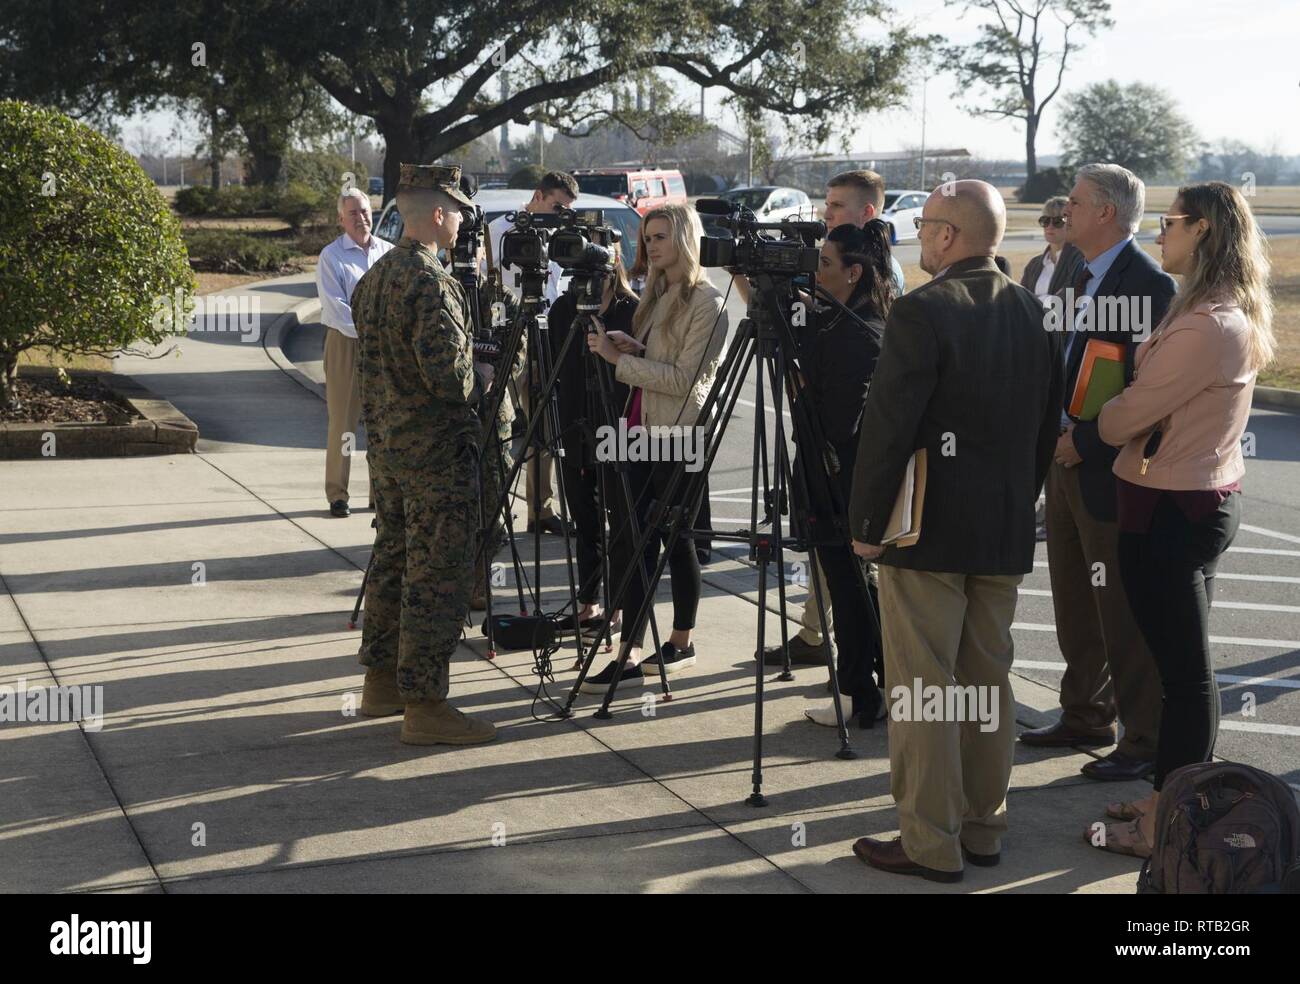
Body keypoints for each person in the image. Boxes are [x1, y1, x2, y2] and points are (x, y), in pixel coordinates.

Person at [848, 180, 1063, 882]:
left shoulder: (921, 310)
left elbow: (888, 429)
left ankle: (928, 843)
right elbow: (1042, 431)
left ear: (947, 237)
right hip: (1000, 531)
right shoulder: (1034, 310)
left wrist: (866, 525)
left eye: (927, 225)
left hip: (926, 534)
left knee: (924, 691)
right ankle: (982, 828)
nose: (919, 239)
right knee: (985, 684)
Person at [1088, 182, 1274, 857]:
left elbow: (1121, 417)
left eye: (1169, 222)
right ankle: (1171, 800)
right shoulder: (1203, 311)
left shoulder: (1205, 324)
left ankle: (1170, 824)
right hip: (1175, 500)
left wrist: (1110, 414)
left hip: (1172, 508)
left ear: (1202, 230)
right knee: (1181, 673)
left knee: (1186, 678)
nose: (1159, 232)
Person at [1019, 164, 1177, 784]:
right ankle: (1084, 714)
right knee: (1073, 601)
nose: (1065, 213)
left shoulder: (1151, 286)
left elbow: (1149, 392)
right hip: (1061, 464)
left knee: (1121, 609)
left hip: (1107, 468)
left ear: (1107, 212)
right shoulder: (1074, 271)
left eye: (1077, 205)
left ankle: (1143, 738)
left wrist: (1083, 441)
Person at [351, 163, 498, 746]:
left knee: (392, 560)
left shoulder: (377, 276)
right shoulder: (430, 282)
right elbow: (450, 380)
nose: (463, 220)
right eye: (458, 210)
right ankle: (425, 704)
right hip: (435, 456)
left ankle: (381, 682)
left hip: (388, 453)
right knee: (435, 575)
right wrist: (485, 373)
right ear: (437, 214)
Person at [581, 204, 728, 691]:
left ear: (685, 237)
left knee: (676, 537)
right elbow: (664, 362)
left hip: (679, 433)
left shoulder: (708, 302)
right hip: (641, 427)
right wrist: (633, 346)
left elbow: (687, 381)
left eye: (661, 236)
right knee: (636, 537)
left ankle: (681, 641)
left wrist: (616, 361)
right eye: (648, 237)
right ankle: (631, 650)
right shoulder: (656, 292)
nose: (653, 246)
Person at [789, 221, 894, 728]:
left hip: (839, 479)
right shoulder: (841, 318)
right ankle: (879, 675)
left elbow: (835, 424)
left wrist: (804, 382)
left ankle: (860, 691)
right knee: (855, 581)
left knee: (847, 581)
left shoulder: (858, 331)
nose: (816, 272)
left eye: (825, 264)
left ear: (854, 272)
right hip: (837, 475)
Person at [546, 251, 639, 639]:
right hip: (574, 423)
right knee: (584, 520)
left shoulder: (630, 308)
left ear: (613, 263)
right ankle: (589, 604)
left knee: (620, 520)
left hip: (616, 424)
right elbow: (552, 364)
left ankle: (618, 608)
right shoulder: (564, 308)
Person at [485, 170, 580, 536]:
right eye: (557, 206)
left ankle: (540, 510)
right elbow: (482, 282)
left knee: (544, 425)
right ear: (538, 196)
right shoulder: (500, 230)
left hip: (544, 335)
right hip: (506, 334)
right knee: (499, 423)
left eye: (568, 210)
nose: (562, 216)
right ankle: (493, 512)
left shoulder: (561, 237)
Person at [314, 187, 393, 517]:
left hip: (384, 345)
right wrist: (371, 329)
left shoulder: (388, 252)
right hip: (346, 343)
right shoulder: (331, 256)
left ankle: (382, 494)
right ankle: (338, 494)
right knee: (343, 423)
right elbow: (336, 307)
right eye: (353, 214)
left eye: (364, 211)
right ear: (340, 220)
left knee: (384, 420)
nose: (361, 218)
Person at [1020, 196, 1084, 300]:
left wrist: (1034, 301)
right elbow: (1022, 300)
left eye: (1058, 221)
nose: (1050, 226)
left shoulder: (1080, 260)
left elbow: (1068, 297)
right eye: (1045, 221)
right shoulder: (1033, 265)